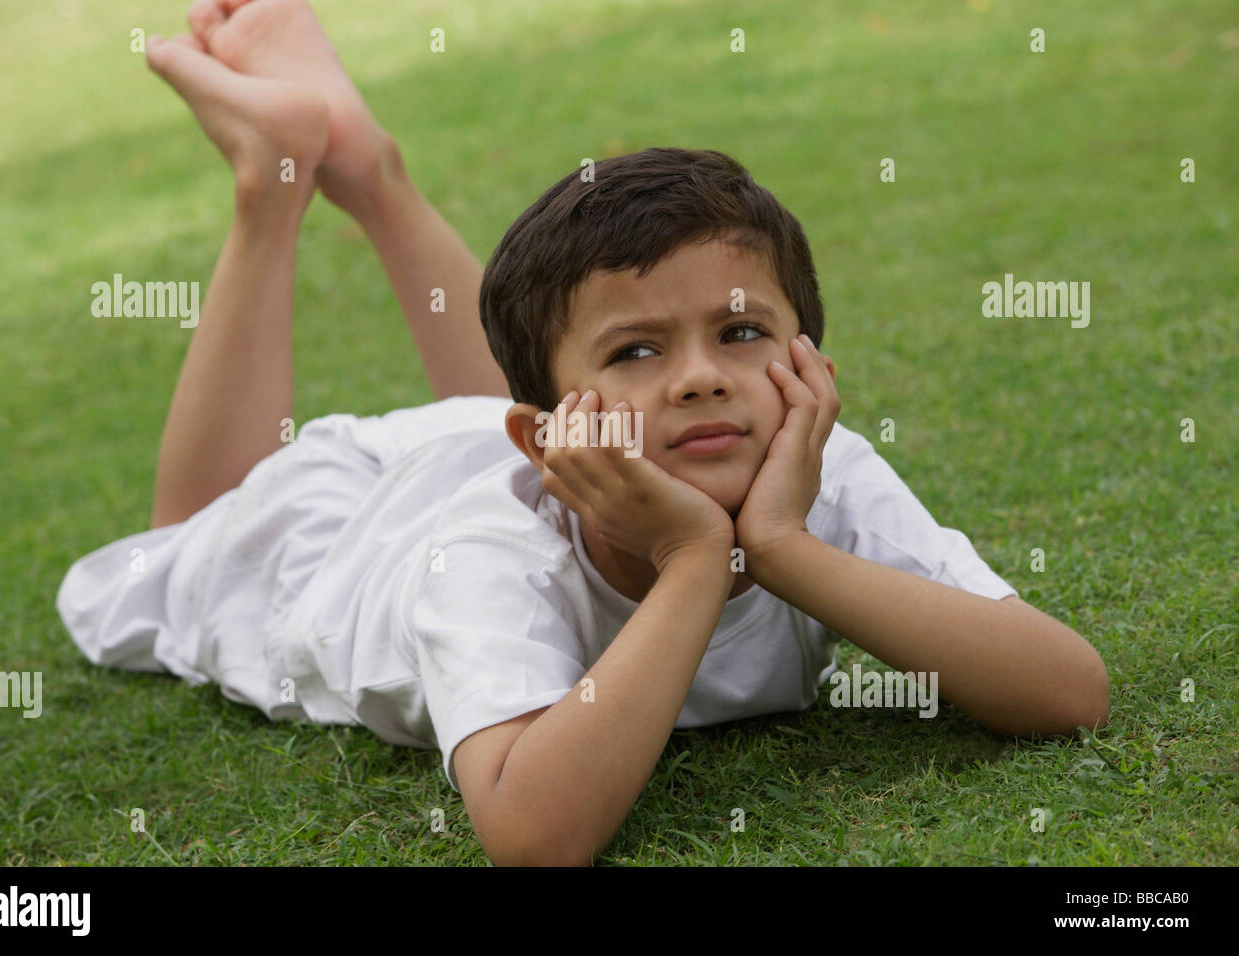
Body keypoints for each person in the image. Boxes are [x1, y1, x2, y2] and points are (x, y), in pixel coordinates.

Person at [57, 0, 1110, 866]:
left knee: (568, 382)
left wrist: (781, 546)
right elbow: (534, 833)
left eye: (740, 330)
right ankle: (271, 176)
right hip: (353, 536)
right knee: (178, 535)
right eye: (643, 349)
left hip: (520, 444)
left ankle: (370, 170)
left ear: (809, 369)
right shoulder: (485, 553)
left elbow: (1068, 691)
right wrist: (701, 552)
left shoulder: (813, 474)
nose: (703, 376)